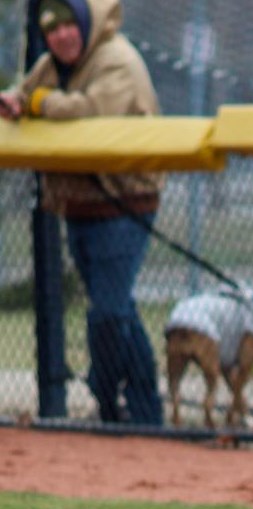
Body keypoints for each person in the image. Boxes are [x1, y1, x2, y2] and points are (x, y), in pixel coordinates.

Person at [0, 0, 164, 425]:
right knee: (117, 307)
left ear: (86, 25)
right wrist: (17, 103)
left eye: (68, 27)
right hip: (80, 205)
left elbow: (89, 110)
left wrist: (37, 103)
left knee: (108, 311)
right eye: (51, 30)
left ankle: (111, 404)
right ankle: (145, 413)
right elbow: (26, 96)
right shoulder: (51, 66)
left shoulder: (117, 60)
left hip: (124, 202)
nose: (61, 37)